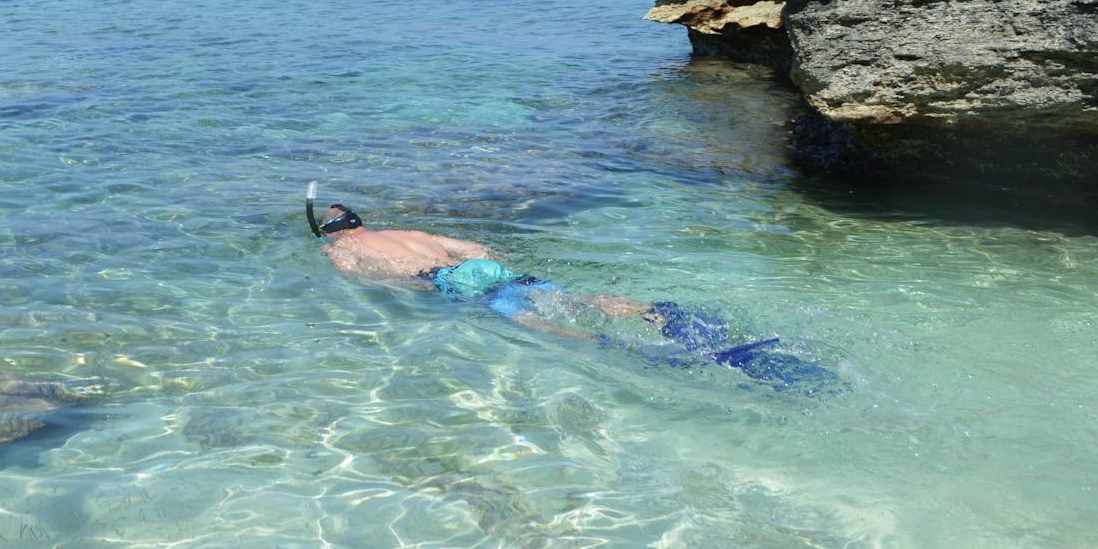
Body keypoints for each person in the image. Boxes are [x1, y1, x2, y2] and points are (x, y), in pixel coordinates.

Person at [308, 198, 836, 390]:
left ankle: (613, 348)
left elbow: (367, 280)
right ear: (362, 219)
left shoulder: (341, 250)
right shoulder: (412, 229)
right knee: (568, 292)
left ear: (333, 233)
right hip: (480, 264)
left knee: (524, 321)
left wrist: (418, 285)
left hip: (447, 280)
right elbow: (477, 244)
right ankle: (657, 313)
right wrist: (467, 265)